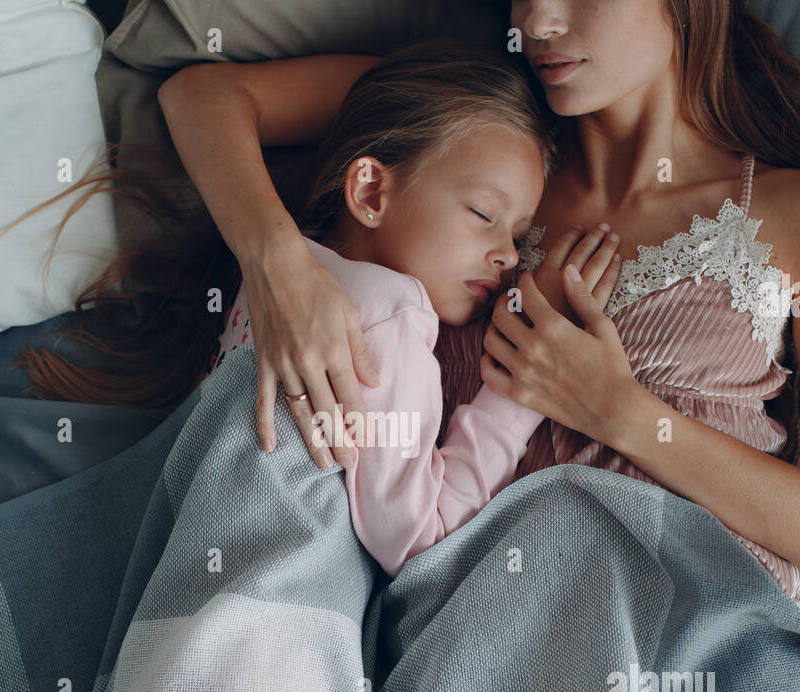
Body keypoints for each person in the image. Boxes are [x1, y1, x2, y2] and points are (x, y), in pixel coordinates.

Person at [155, 0, 800, 607]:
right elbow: (202, 97)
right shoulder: (475, 141)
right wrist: (280, 266)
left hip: (690, 653)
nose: (536, 20)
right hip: (461, 656)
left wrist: (623, 415)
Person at [204, 42, 630, 575]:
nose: (509, 255)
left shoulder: (265, 280)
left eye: (519, 235)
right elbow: (418, 540)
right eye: (482, 212)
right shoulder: (392, 314)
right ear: (371, 192)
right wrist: (517, 392)